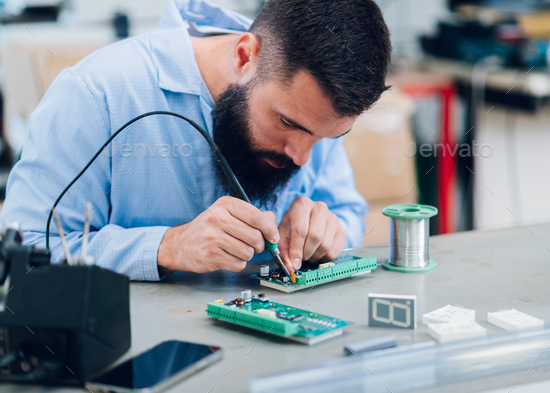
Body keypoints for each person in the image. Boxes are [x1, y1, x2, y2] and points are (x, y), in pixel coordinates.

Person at [0, 0, 391, 280]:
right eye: (287, 122)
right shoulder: (96, 94)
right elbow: (24, 253)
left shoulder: (313, 107)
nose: (303, 157)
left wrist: (326, 233)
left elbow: (348, 215)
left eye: (326, 137)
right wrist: (167, 247)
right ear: (244, 57)